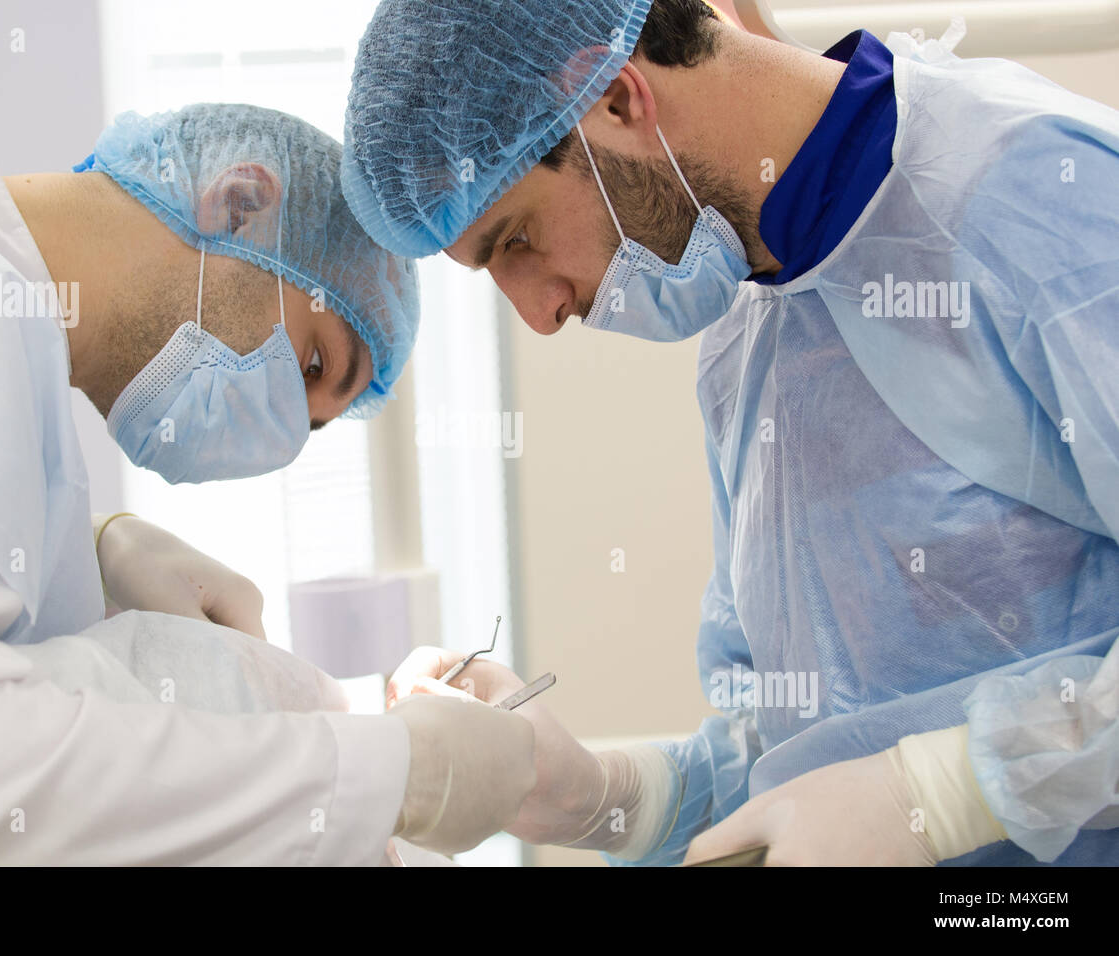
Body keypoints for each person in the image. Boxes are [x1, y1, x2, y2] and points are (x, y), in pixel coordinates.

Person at [345, 0, 1119, 865]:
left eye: (515, 239)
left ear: (615, 99)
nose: (540, 312)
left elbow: (893, 793)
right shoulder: (750, 339)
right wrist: (592, 798)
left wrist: (946, 792)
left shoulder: (1046, 199)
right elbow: (799, 757)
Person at [0, 103, 535, 864]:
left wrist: (98, 547)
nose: (287, 430)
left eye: (314, 424)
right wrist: (392, 773)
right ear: (239, 203)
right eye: (315, 365)